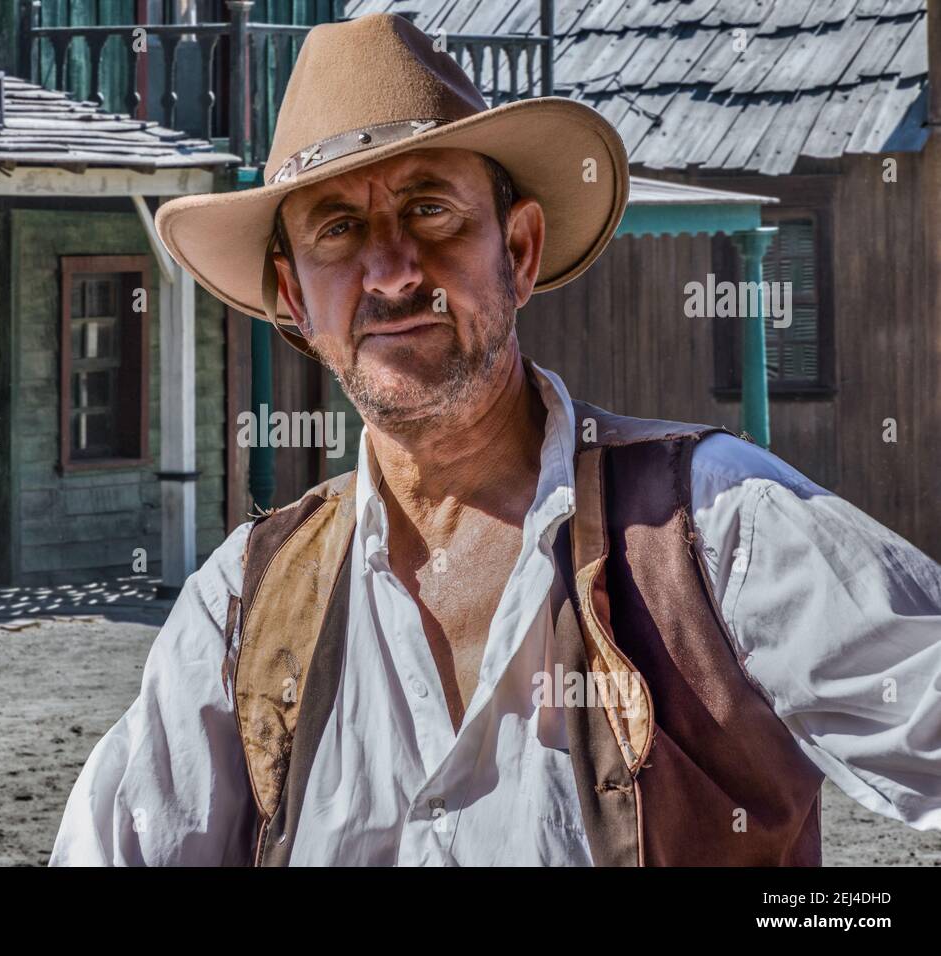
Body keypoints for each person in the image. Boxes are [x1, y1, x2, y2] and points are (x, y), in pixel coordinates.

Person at [51, 13, 941, 866]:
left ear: (518, 250)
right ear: (293, 299)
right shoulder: (242, 606)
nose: (394, 271)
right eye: (339, 229)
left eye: (431, 211)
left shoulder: (721, 533)